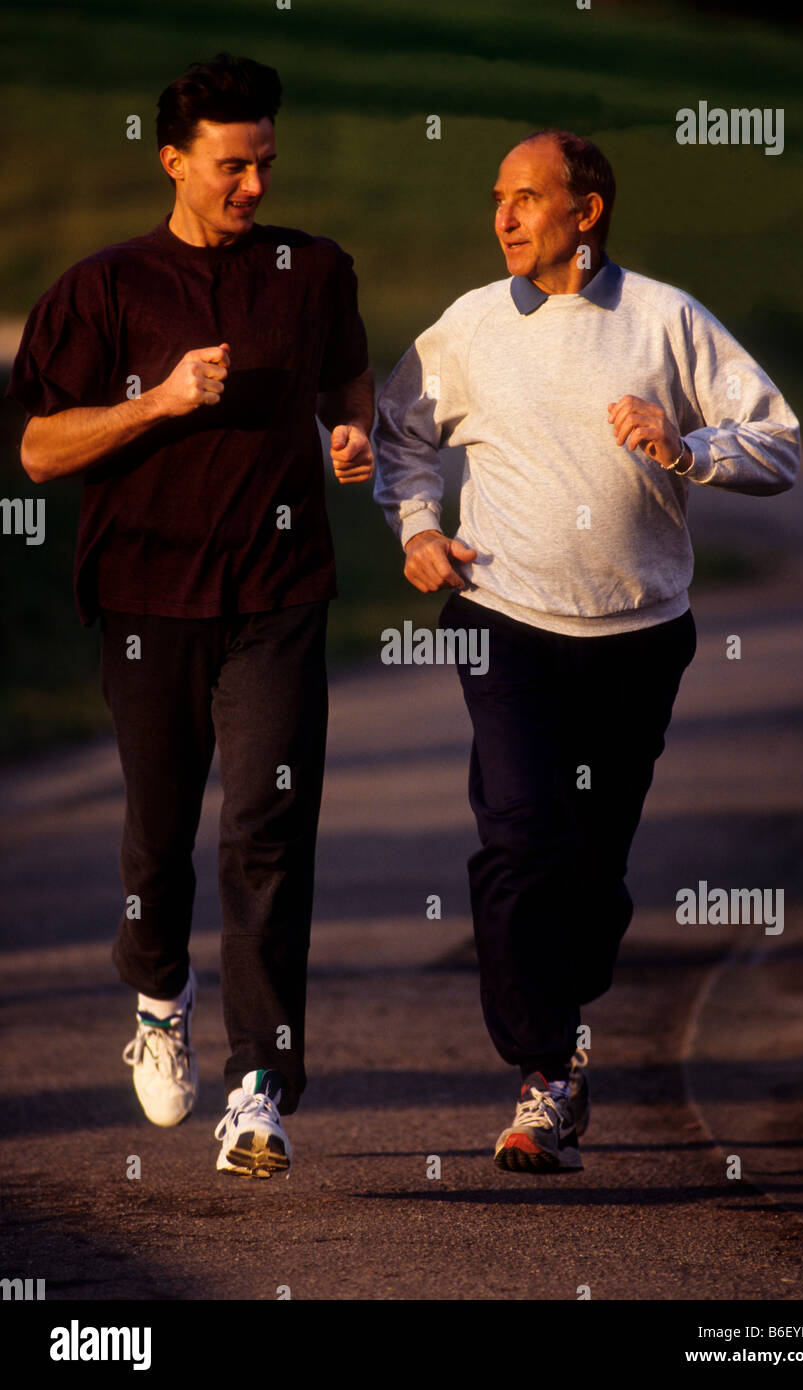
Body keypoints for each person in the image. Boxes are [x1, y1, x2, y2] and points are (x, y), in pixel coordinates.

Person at [374, 129, 799, 1173]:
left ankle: (562, 1012)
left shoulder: (665, 318)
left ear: (587, 209)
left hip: (640, 636)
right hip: (504, 619)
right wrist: (419, 529)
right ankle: (543, 1076)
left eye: (526, 197)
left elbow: (779, 444)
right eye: (497, 198)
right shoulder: (471, 324)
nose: (504, 216)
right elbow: (400, 433)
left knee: (592, 866)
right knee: (523, 837)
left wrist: (689, 445)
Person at [7, 53, 374, 1179]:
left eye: (266, 161)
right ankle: (158, 995)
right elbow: (34, 449)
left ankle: (260, 1085)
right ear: (174, 160)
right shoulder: (104, 288)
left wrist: (349, 431)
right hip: (144, 602)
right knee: (158, 836)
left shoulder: (313, 273)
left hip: (277, 594)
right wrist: (157, 399)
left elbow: (345, 379)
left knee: (265, 832)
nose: (254, 185)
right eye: (232, 165)